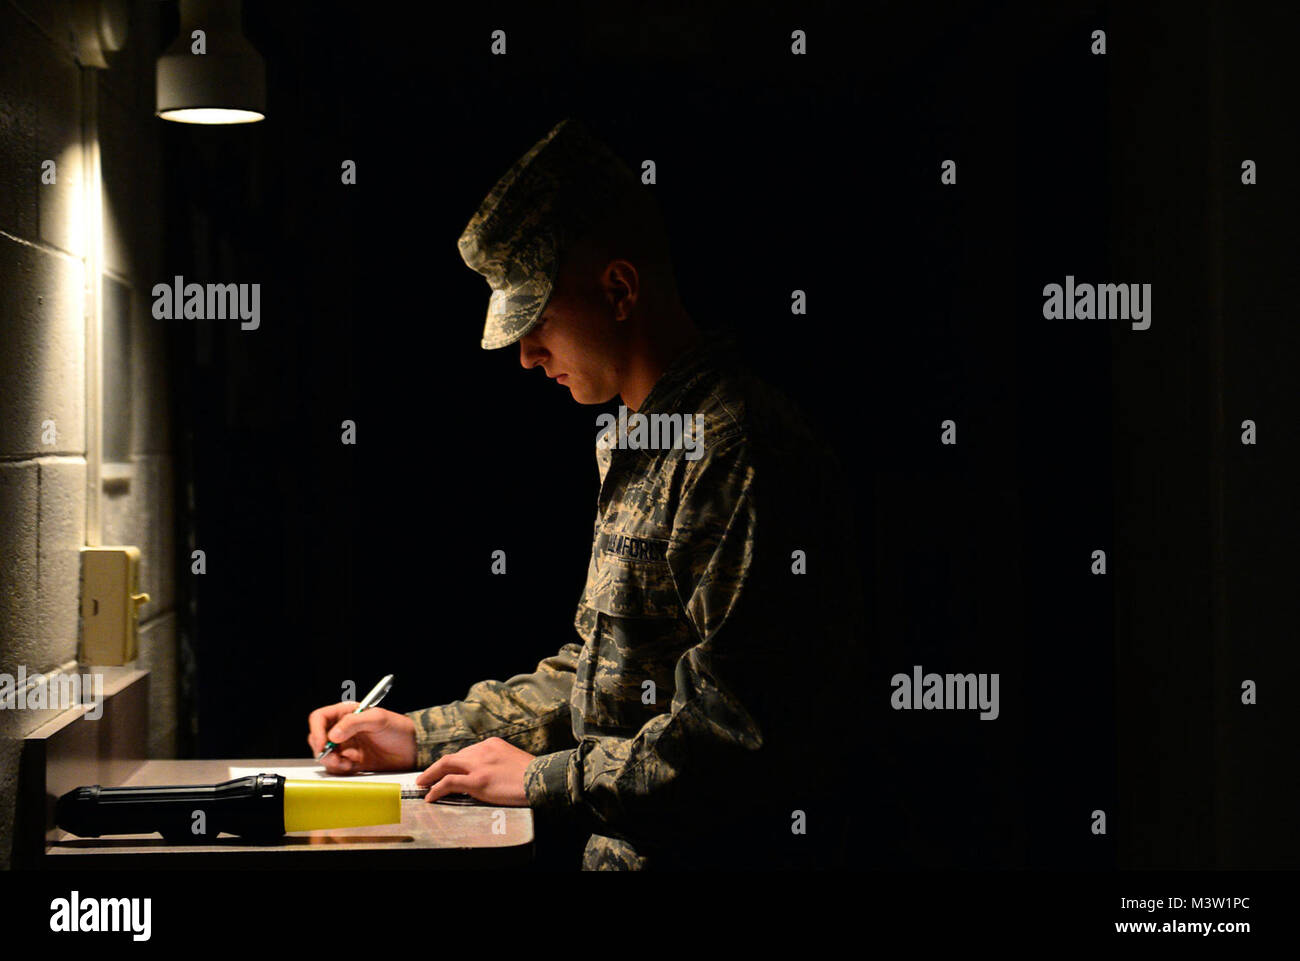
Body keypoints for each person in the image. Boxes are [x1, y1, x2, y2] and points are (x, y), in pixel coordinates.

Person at [307, 118, 868, 869]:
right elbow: (605, 672)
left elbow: (738, 733)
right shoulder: (635, 438)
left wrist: (542, 777)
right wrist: (420, 735)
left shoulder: (735, 448)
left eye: (536, 320)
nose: (528, 355)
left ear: (619, 289)